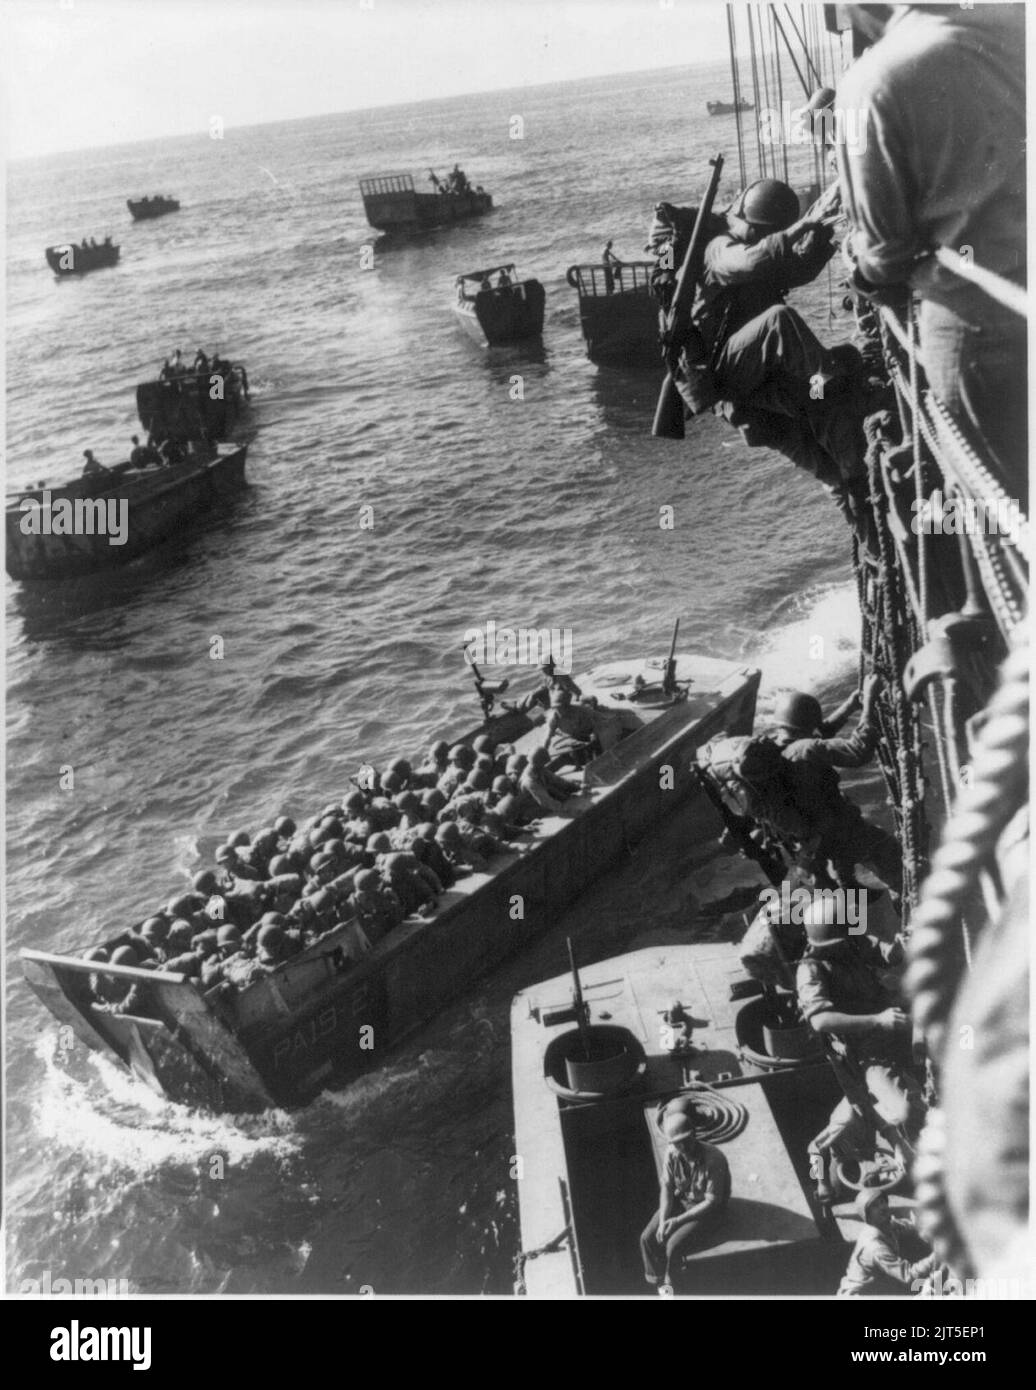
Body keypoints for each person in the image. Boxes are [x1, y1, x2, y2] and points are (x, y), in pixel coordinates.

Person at [836, 4, 1026, 506]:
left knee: (1003, 530)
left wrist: (857, 254)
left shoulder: (871, 81)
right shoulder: (1018, 24)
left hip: (983, 334)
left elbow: (884, 256)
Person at [690, 176, 871, 518]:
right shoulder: (720, 248)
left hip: (756, 399)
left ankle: (861, 521)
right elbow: (751, 262)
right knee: (780, 320)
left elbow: (792, 270)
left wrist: (817, 241)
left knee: (832, 470)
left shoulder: (755, 247)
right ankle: (826, 385)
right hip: (729, 374)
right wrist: (796, 230)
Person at [796, 894, 924, 1186]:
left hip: (892, 1024)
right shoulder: (811, 970)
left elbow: (885, 953)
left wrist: (900, 946)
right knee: (902, 1109)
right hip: (866, 1051)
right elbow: (821, 1020)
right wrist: (877, 1020)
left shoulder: (850, 943)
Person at [771, 677, 902, 899]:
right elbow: (857, 750)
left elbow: (819, 735)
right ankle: (904, 902)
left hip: (810, 834)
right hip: (835, 829)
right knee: (890, 852)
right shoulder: (807, 749)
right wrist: (869, 702)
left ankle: (846, 887)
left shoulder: (779, 749)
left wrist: (850, 706)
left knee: (842, 864)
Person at [640, 1106, 731, 1290]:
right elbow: (666, 1187)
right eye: (676, 1143)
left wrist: (677, 1221)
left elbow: (712, 1202)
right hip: (682, 1200)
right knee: (646, 1238)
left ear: (694, 1134)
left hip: (707, 1210)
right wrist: (665, 1219)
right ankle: (657, 1281)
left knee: (672, 1246)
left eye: (685, 1141)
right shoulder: (672, 1153)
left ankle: (674, 1285)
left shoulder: (714, 1159)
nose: (682, 1147)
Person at [837, 1187, 936, 1297]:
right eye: (875, 1206)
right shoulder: (874, 1246)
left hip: (876, 1287)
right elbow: (908, 1275)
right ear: (867, 1215)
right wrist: (936, 1257)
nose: (882, 1207)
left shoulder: (884, 1225)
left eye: (882, 1202)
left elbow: (905, 1225)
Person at [543, 688, 600, 769]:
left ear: (567, 706)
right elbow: (547, 738)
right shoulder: (553, 717)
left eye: (560, 707)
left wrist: (594, 734)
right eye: (556, 708)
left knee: (594, 748)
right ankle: (578, 765)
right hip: (573, 735)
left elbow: (596, 720)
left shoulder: (580, 710)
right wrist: (543, 752)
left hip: (588, 732)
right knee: (575, 750)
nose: (558, 710)